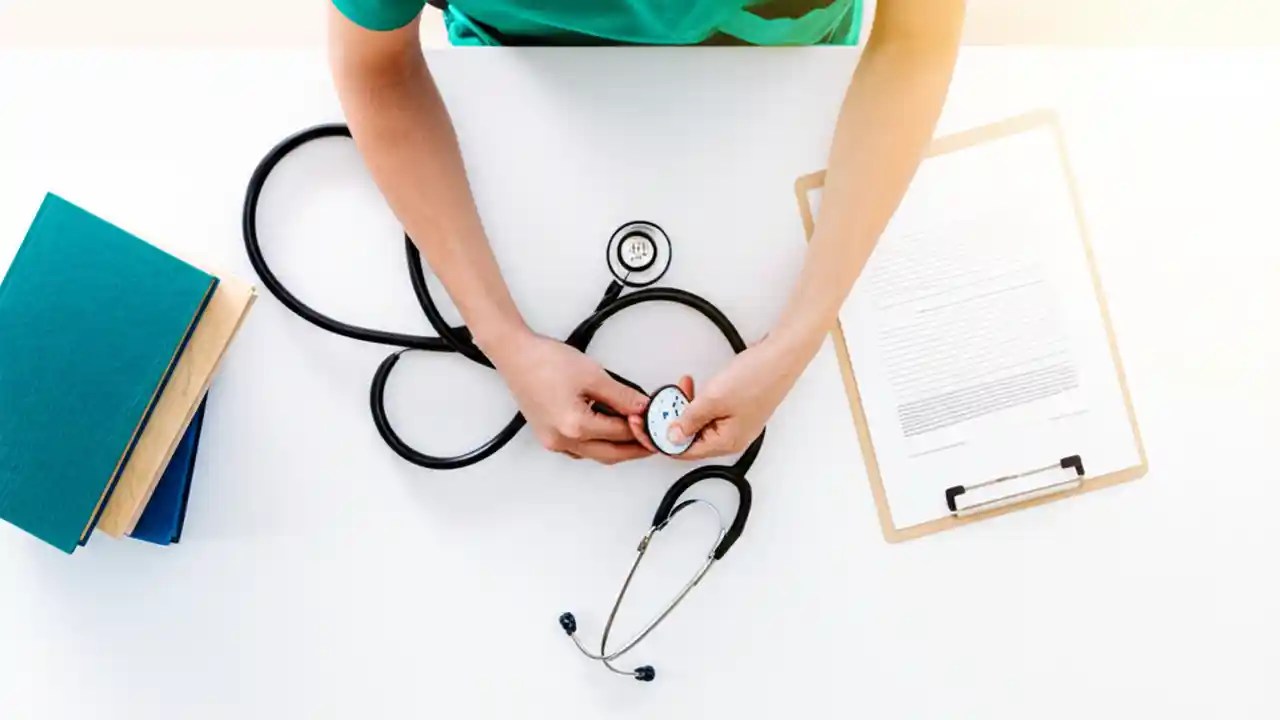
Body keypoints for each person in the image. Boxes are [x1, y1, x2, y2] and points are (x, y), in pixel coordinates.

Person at [328, 0, 964, 464]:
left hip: (797, 78)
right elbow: (374, 66)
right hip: (521, 86)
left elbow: (919, 38)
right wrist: (503, 338)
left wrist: (800, 335)